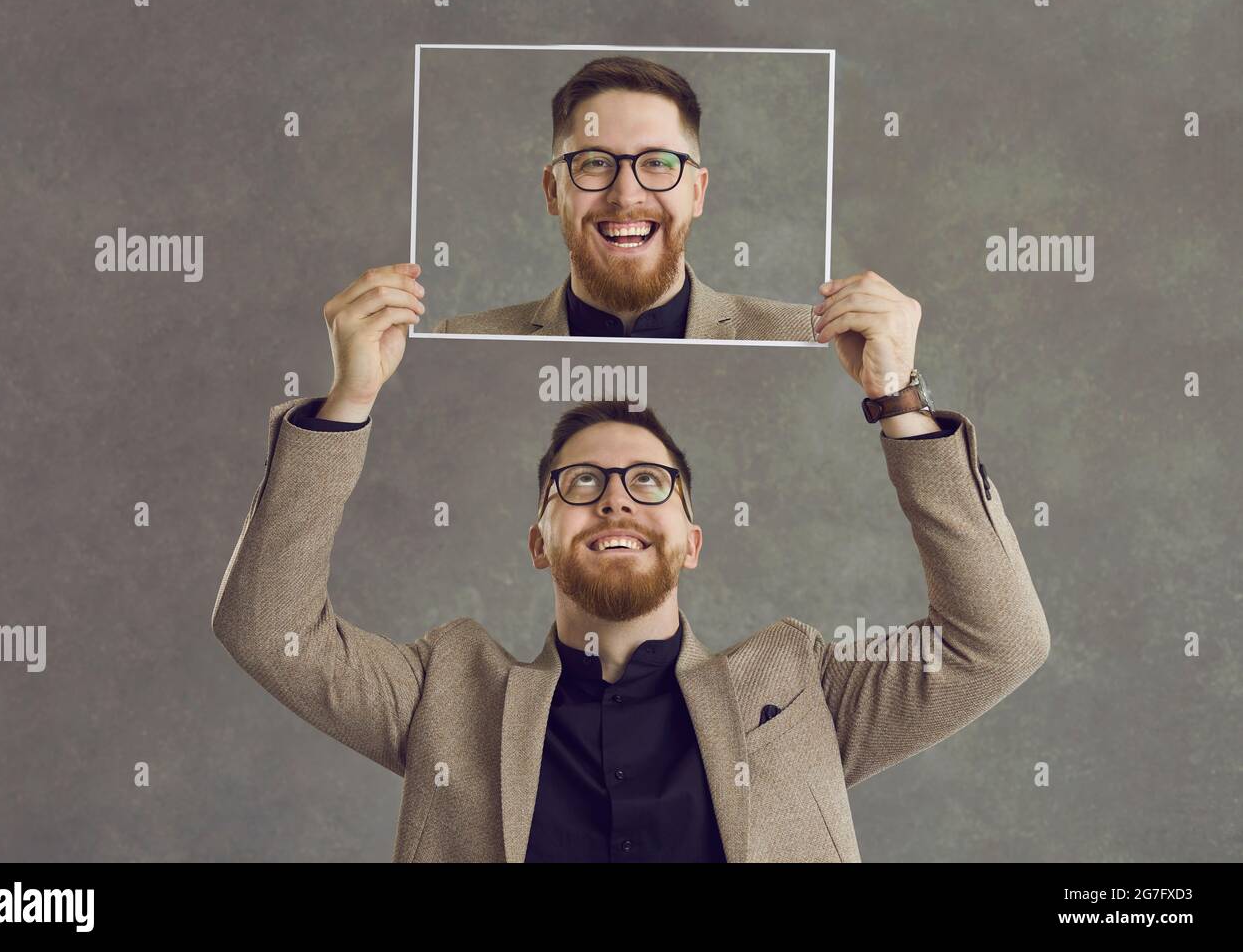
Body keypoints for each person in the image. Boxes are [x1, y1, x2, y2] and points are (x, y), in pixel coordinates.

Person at [212, 262, 1050, 862]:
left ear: (692, 537)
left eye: (650, 480)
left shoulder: (803, 690)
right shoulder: (448, 694)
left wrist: (898, 399)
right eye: (580, 482)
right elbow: (266, 627)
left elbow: (997, 641)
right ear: (539, 540)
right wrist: (349, 399)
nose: (616, 499)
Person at [429, 55, 817, 340]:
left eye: (658, 162)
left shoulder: (805, 338)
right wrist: (362, 405)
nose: (626, 195)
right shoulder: (460, 339)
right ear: (552, 191)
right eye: (595, 162)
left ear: (697, 192)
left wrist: (882, 394)